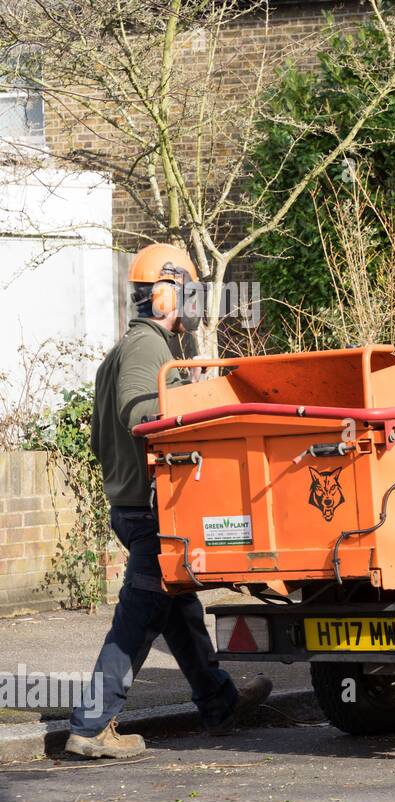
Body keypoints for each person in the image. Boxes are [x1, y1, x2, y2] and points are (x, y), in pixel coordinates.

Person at [66, 243, 271, 759]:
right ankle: (91, 727)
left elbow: (101, 438)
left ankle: (219, 704)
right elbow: (140, 417)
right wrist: (199, 395)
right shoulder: (145, 349)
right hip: (151, 512)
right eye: (189, 292)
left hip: (135, 506)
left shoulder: (127, 349)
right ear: (165, 292)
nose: (194, 303)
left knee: (178, 609)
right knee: (137, 620)